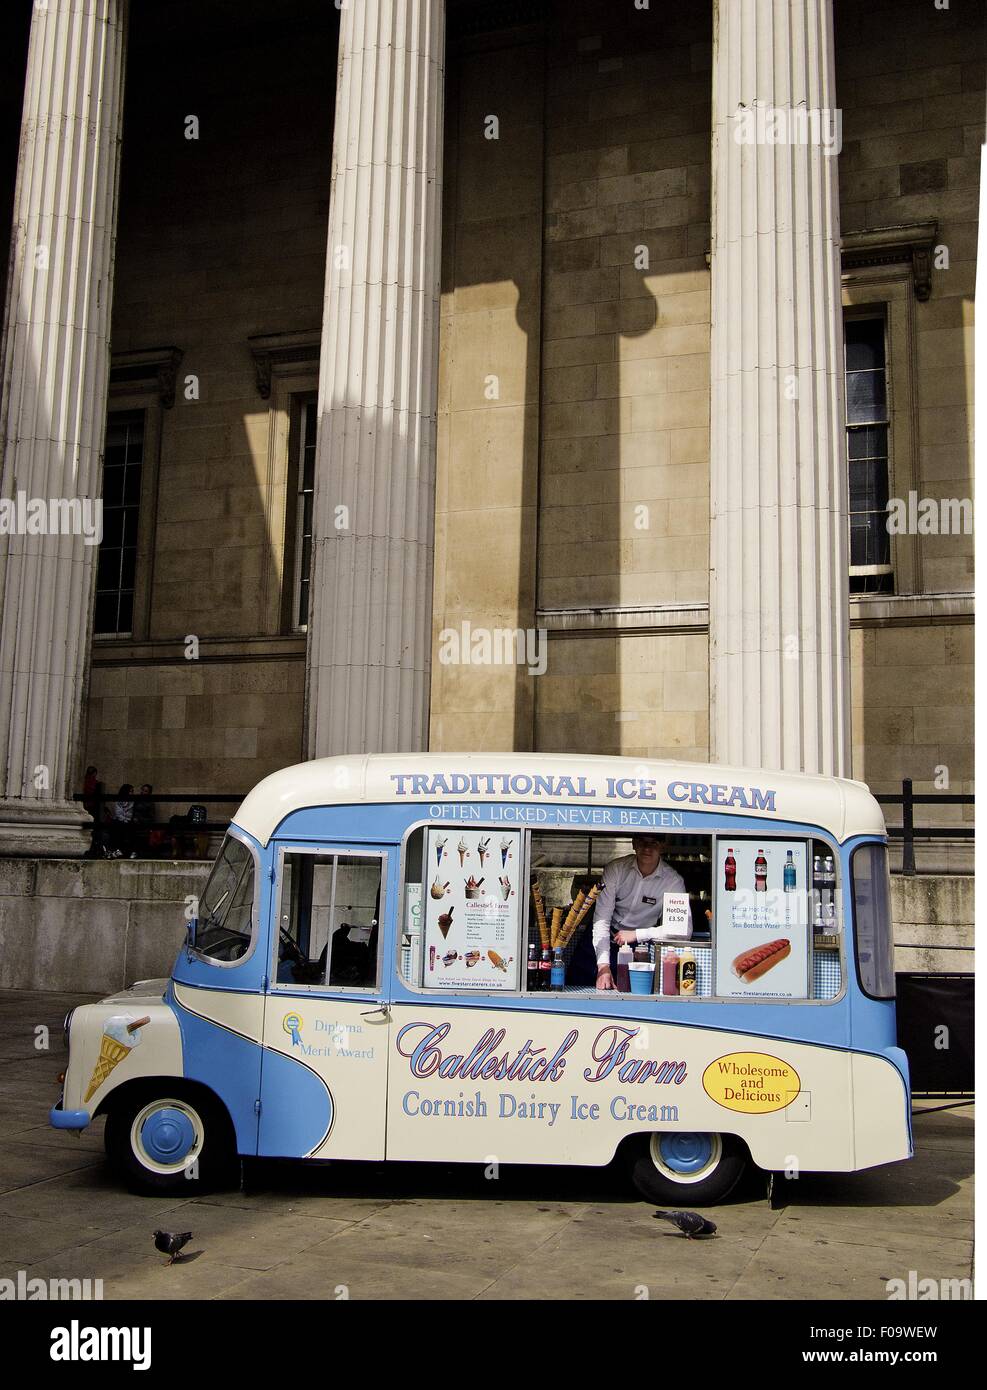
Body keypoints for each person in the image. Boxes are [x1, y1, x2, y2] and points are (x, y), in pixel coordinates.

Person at [593, 834, 687, 990]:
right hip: (604, 937)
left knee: (633, 993)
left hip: (640, 947)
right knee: (578, 985)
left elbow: (682, 930)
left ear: (662, 846)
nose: (647, 848)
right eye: (643, 842)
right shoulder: (616, 869)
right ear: (634, 843)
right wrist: (603, 965)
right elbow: (602, 918)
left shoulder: (673, 882)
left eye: (654, 843)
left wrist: (637, 934)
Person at [107, 783, 135, 857]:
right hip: (119, 820)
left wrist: (126, 820)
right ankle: (116, 850)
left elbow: (130, 814)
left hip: (128, 821)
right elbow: (118, 812)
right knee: (116, 826)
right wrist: (123, 819)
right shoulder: (119, 801)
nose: (132, 793)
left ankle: (126, 851)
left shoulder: (132, 802)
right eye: (130, 791)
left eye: (132, 791)